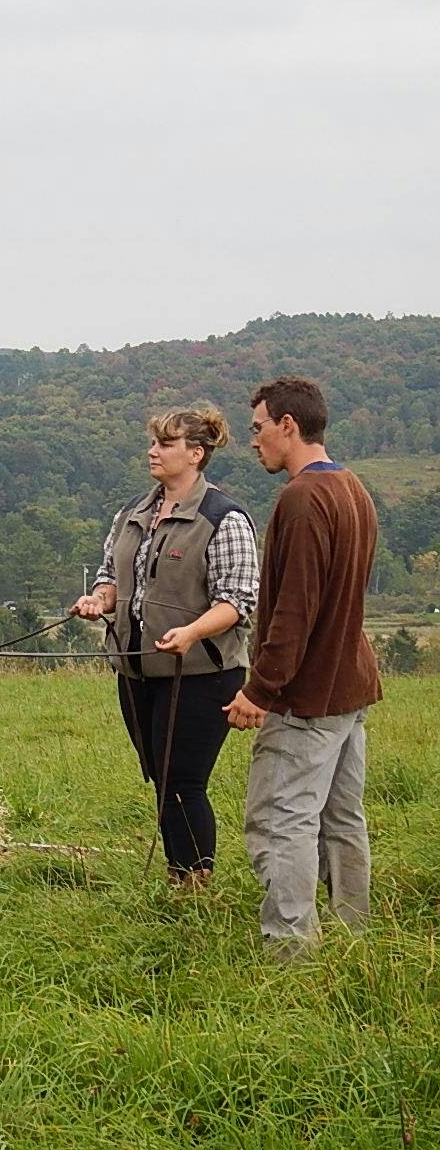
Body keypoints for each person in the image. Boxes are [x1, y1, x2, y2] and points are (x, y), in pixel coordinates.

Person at [222, 376, 381, 955]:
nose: (255, 440)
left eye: (259, 428)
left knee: (279, 822)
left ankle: (290, 950)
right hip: (349, 685)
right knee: (341, 819)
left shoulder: (302, 497)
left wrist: (261, 691)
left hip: (308, 696)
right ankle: (351, 936)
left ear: (289, 424)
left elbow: (295, 608)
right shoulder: (353, 488)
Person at [71, 408, 259, 887]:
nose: (154, 451)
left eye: (167, 444)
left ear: (196, 455)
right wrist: (98, 602)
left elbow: (238, 600)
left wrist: (193, 632)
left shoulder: (225, 518)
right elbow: (110, 577)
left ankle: (195, 881)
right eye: (154, 442)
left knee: (182, 782)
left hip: (203, 674)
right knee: (160, 776)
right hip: (137, 672)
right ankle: (180, 874)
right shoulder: (132, 512)